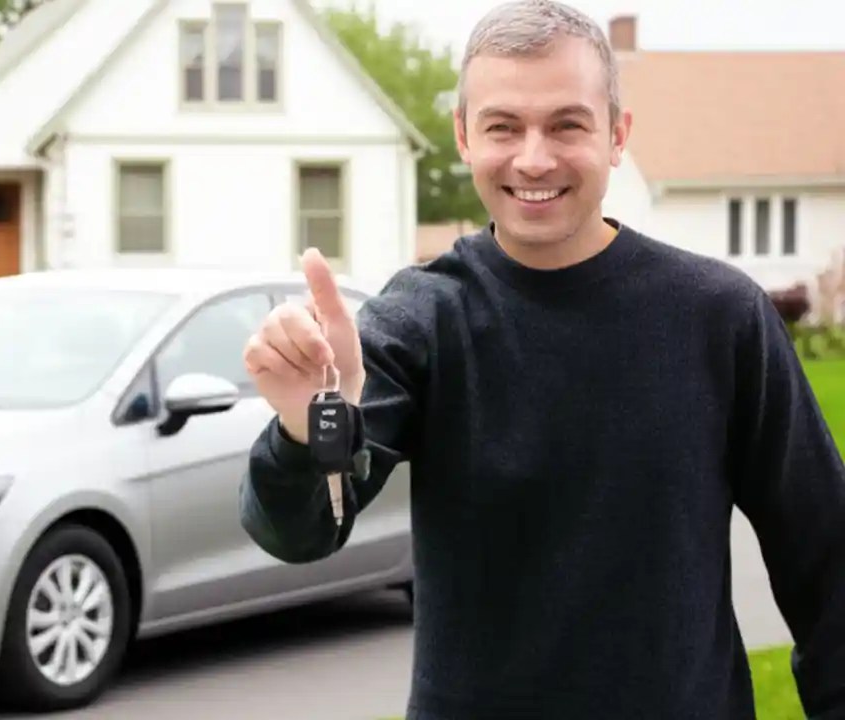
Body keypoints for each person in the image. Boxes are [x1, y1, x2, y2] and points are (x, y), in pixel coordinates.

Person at [238, 0, 845, 718]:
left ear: (617, 136)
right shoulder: (422, 320)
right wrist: (310, 427)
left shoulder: (721, 317)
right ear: (464, 137)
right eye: (503, 126)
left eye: (567, 124)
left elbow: (826, 565)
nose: (534, 157)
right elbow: (298, 532)